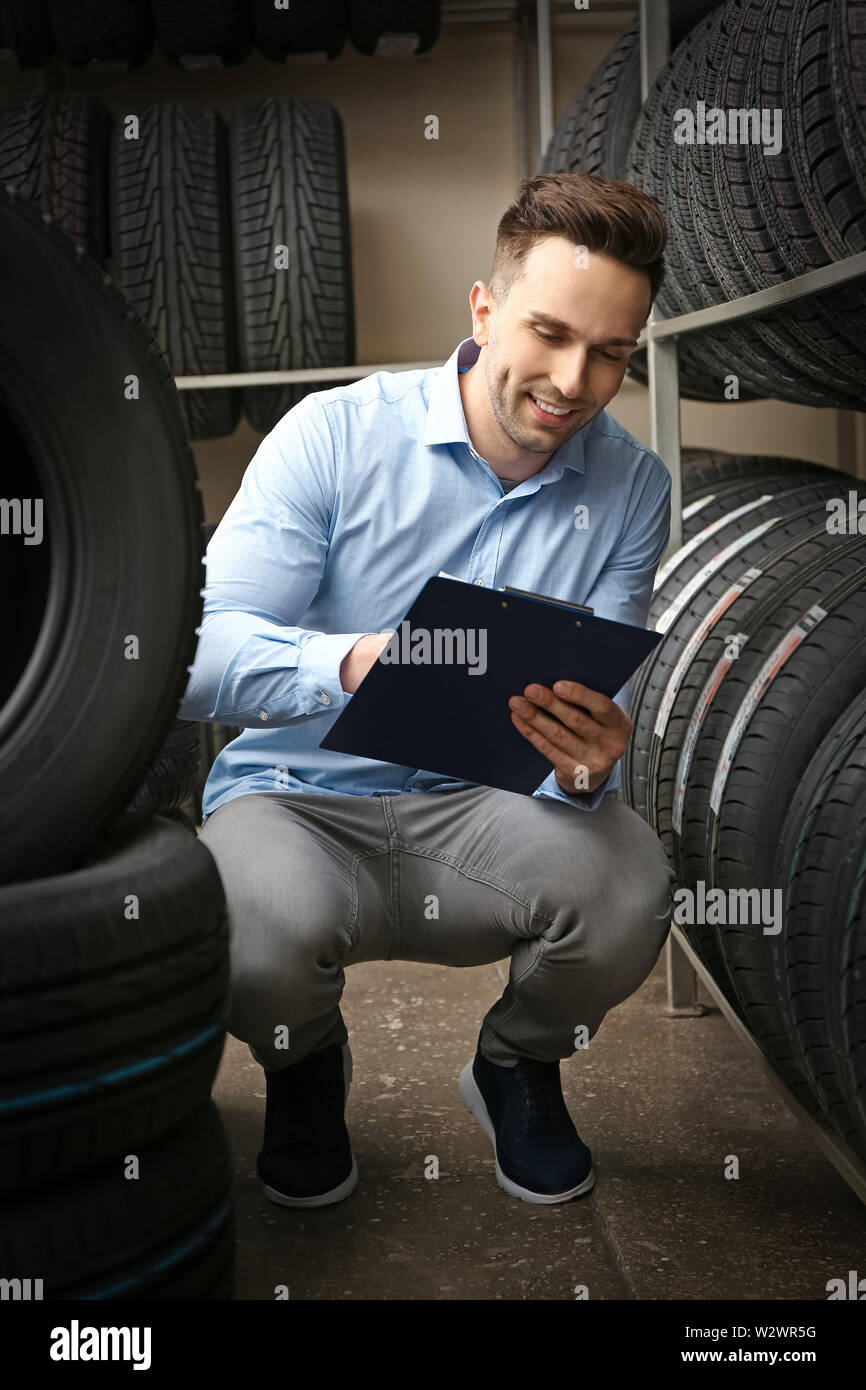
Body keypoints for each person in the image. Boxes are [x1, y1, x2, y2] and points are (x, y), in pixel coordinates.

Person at [179, 171, 677, 1209]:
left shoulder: (631, 487)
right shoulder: (331, 436)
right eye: (547, 332)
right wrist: (350, 663)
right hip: (299, 801)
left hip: (484, 812)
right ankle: (304, 1062)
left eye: (610, 355)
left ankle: (514, 1065)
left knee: (629, 883)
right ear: (483, 309)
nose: (571, 380)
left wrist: (586, 772)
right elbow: (193, 657)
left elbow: (586, 723)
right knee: (241, 925)